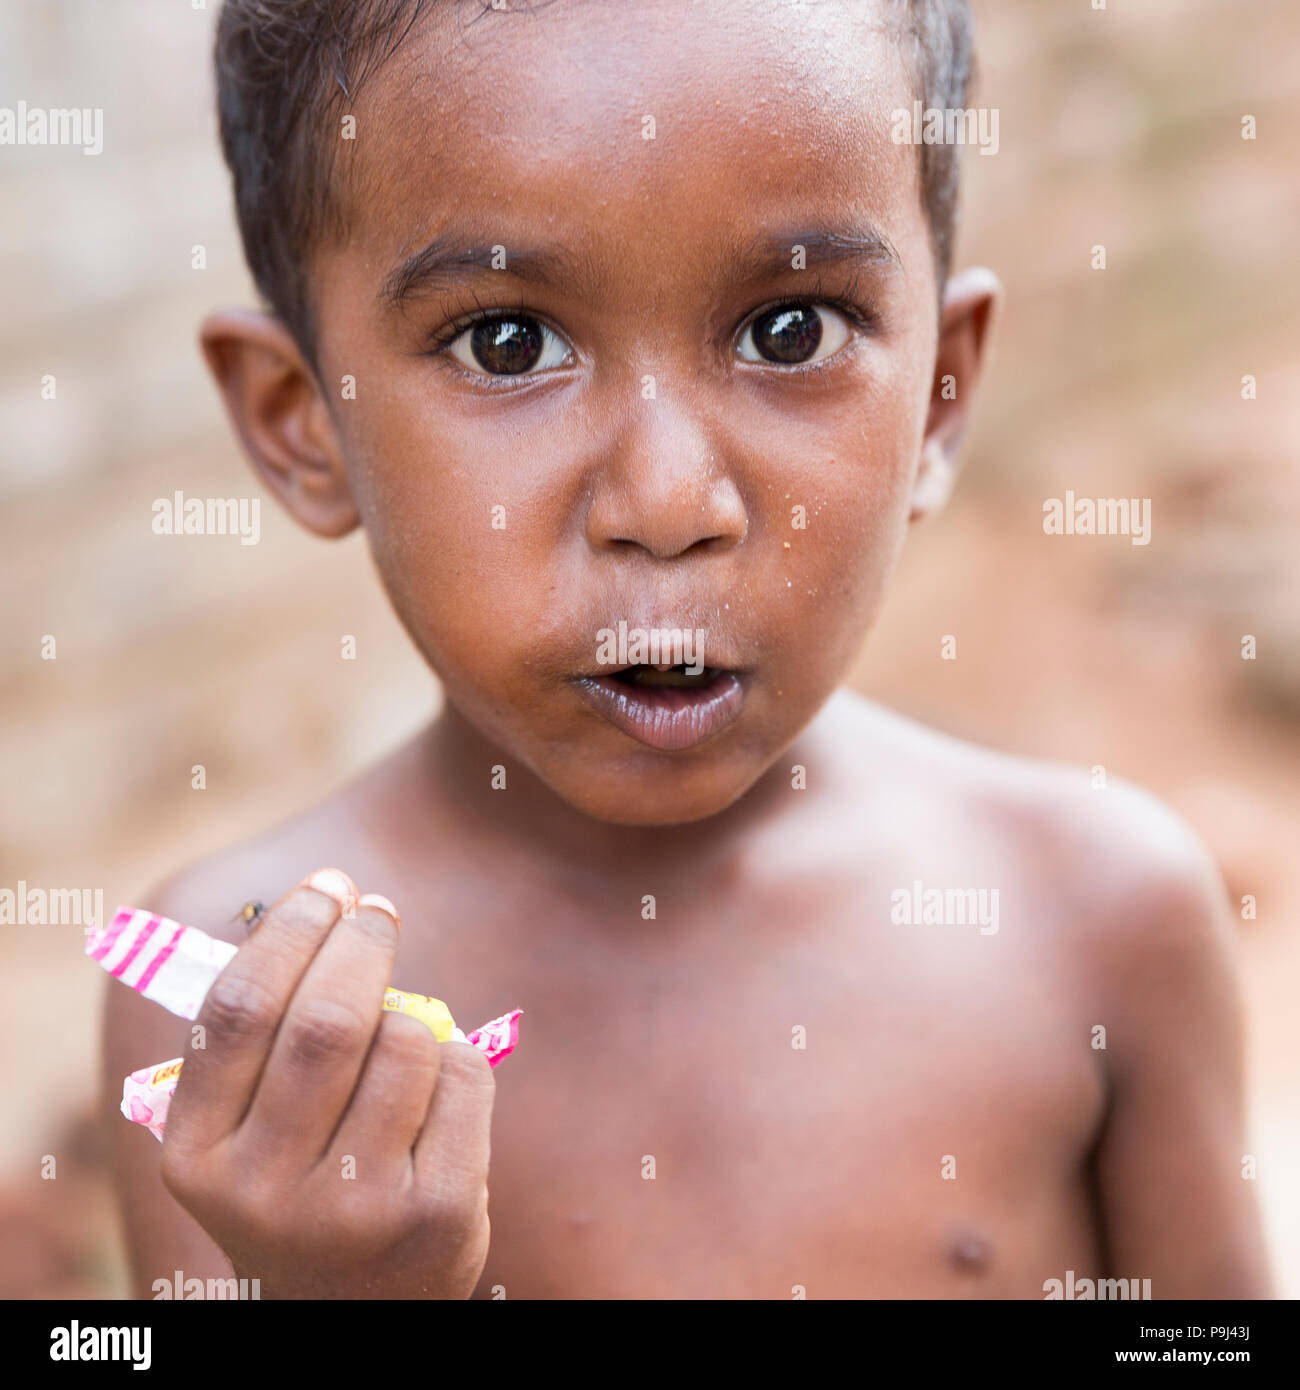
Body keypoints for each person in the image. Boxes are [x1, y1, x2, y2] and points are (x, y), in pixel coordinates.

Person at [102, 0, 1270, 1298]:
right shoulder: (238, 1002)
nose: (667, 502)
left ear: (940, 395)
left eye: (792, 329)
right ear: (303, 422)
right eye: (507, 343)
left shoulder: (1102, 918)